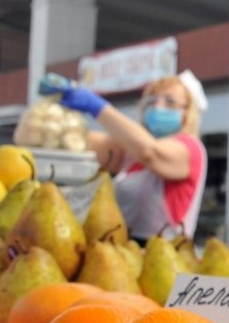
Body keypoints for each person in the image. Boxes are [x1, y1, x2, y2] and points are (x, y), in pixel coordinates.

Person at [58, 70, 209, 243]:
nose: (158, 107)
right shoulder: (130, 151)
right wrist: (56, 119)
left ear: (187, 113)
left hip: (165, 250)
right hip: (124, 247)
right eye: (152, 101)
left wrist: (97, 107)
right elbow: (80, 144)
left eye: (170, 102)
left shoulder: (190, 148)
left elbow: (150, 153)